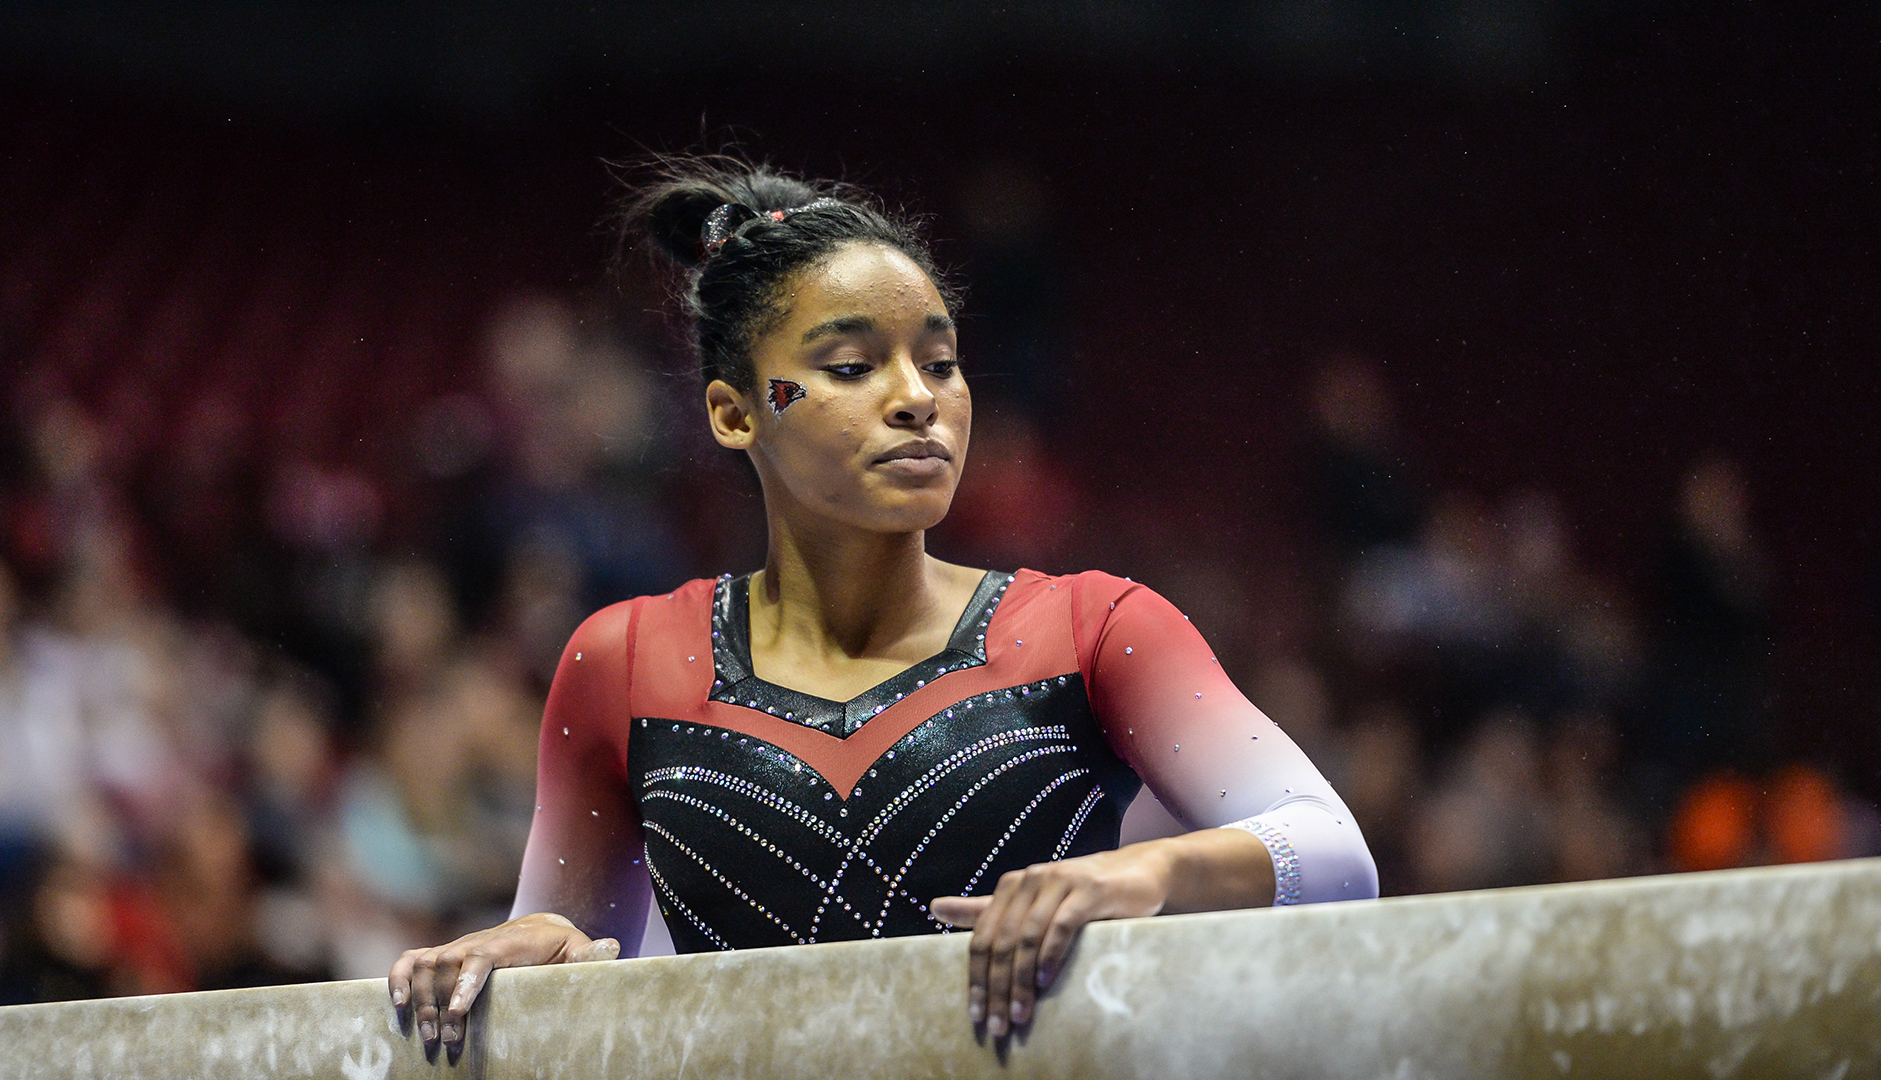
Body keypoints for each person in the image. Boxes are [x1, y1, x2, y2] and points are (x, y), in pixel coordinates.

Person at [389, 157, 1377, 1053]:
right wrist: (535, 944)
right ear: (734, 410)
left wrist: (1148, 874)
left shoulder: (1092, 629)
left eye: (940, 362)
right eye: (852, 367)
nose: (918, 398)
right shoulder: (624, 662)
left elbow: (1331, 852)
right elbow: (576, 954)